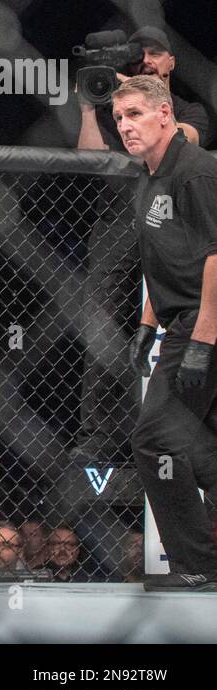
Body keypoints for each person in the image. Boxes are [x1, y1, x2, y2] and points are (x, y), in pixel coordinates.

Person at [72, 27, 211, 464]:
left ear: (172, 62)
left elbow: (179, 142)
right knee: (103, 324)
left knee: (186, 316)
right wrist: (90, 108)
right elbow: (89, 160)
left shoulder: (187, 110)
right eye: (140, 54)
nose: (148, 60)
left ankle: (189, 423)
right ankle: (99, 437)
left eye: (156, 53)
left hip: (174, 222)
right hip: (117, 222)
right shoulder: (116, 109)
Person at [113, 75, 217, 590]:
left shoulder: (195, 172)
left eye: (133, 114)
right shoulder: (148, 178)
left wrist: (201, 341)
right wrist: (146, 326)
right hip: (178, 320)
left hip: (206, 320)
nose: (125, 127)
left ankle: (196, 564)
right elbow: (162, 261)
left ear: (163, 113)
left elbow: (216, 256)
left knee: (156, 440)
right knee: (202, 447)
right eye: (118, 119)